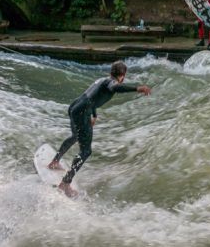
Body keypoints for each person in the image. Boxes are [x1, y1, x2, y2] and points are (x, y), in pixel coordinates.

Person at [48, 61, 151, 197]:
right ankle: (65, 184)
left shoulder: (103, 80)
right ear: (122, 75)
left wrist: (94, 115)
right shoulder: (112, 83)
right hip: (82, 112)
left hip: (75, 107)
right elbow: (115, 88)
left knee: (75, 136)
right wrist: (137, 88)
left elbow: (92, 97)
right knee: (86, 151)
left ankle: (55, 162)